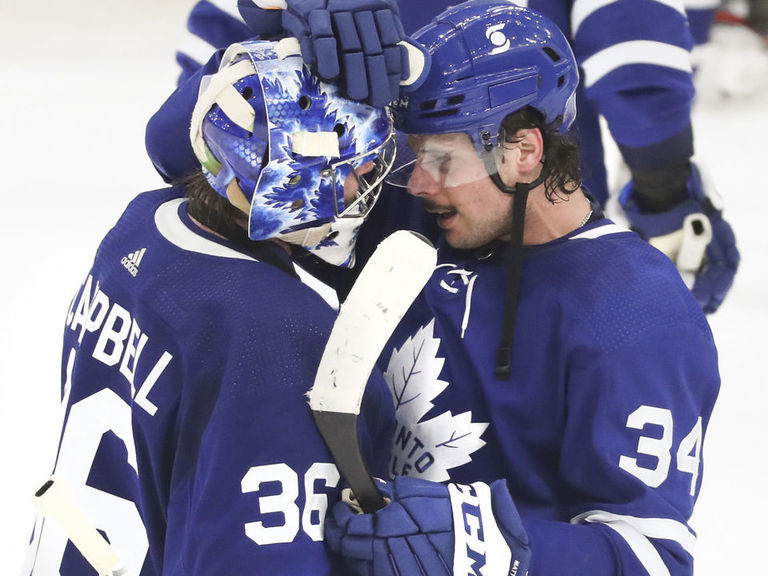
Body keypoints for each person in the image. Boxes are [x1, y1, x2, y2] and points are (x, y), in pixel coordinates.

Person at [320, 3, 721, 575]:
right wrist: (276, 28)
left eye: (441, 159)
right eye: (415, 155)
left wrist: (488, 543)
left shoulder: (636, 316)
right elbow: (207, 180)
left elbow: (650, 558)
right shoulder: (409, 219)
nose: (419, 183)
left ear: (524, 152)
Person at [21, 40, 401, 576]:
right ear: (292, 180)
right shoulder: (281, 337)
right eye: (352, 166)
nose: (365, 180)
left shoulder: (142, 226)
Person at [146, 0, 740, 315]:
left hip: (393, 222)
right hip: (385, 215)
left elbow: (196, 138)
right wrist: (667, 193)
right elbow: (637, 61)